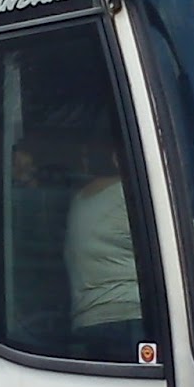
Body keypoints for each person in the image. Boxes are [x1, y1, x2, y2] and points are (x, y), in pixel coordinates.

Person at [63, 138, 143, 360]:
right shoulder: (127, 193)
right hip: (129, 316)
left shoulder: (79, 199)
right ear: (118, 161)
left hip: (88, 321)